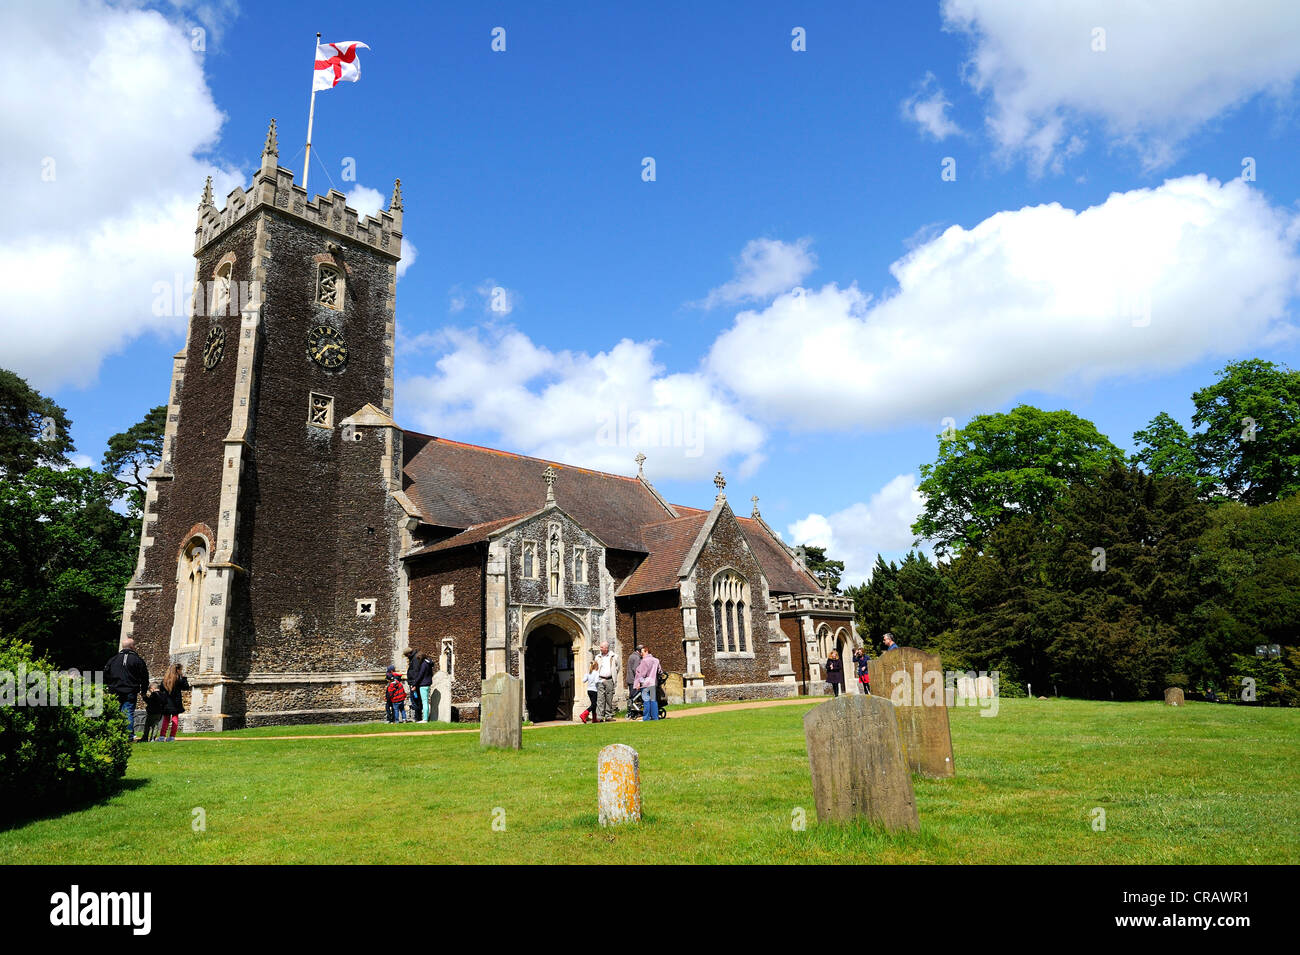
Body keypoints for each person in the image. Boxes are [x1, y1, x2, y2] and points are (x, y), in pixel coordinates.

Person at [103, 637, 149, 742]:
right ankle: (128, 735)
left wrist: (109, 685)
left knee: (116, 712)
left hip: (115, 690)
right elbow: (144, 677)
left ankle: (115, 734)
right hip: (130, 690)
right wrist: (144, 690)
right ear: (132, 647)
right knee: (128, 712)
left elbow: (105, 673)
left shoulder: (113, 659)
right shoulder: (138, 660)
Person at [157, 663, 191, 742]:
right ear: (178, 670)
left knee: (166, 719)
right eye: (181, 670)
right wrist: (184, 678)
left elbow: (161, 690)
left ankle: (162, 736)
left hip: (166, 703)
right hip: (175, 702)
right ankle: (172, 736)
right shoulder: (178, 680)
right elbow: (186, 687)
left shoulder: (164, 680)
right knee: (175, 719)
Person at [633, 648, 662, 721]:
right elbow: (660, 671)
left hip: (645, 683)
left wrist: (639, 683)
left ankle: (646, 718)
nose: (641, 654)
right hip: (653, 683)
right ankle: (655, 717)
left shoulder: (644, 661)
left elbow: (642, 674)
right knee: (653, 700)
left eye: (642, 652)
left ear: (646, 651)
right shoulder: (656, 660)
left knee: (646, 701)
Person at [403, 647, 429, 722]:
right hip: (414, 683)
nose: (406, 657)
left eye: (406, 656)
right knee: (416, 700)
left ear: (408, 654)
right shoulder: (414, 658)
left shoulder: (415, 659)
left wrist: (414, 685)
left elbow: (415, 673)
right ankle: (418, 717)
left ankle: (418, 717)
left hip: (415, 684)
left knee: (416, 701)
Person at [594, 641, 617, 722]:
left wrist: (613, 675)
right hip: (600, 679)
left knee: (609, 698)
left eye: (601, 647)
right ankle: (599, 717)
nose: (600, 649)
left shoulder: (614, 656)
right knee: (600, 698)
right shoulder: (598, 657)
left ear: (606, 648)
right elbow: (595, 668)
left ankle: (608, 716)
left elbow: (617, 667)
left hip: (610, 679)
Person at [625, 645, 642, 719]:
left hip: (630, 679)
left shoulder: (631, 656)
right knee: (635, 697)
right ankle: (633, 712)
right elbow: (636, 670)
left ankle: (631, 712)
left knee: (632, 696)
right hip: (634, 680)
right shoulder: (637, 657)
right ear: (639, 651)